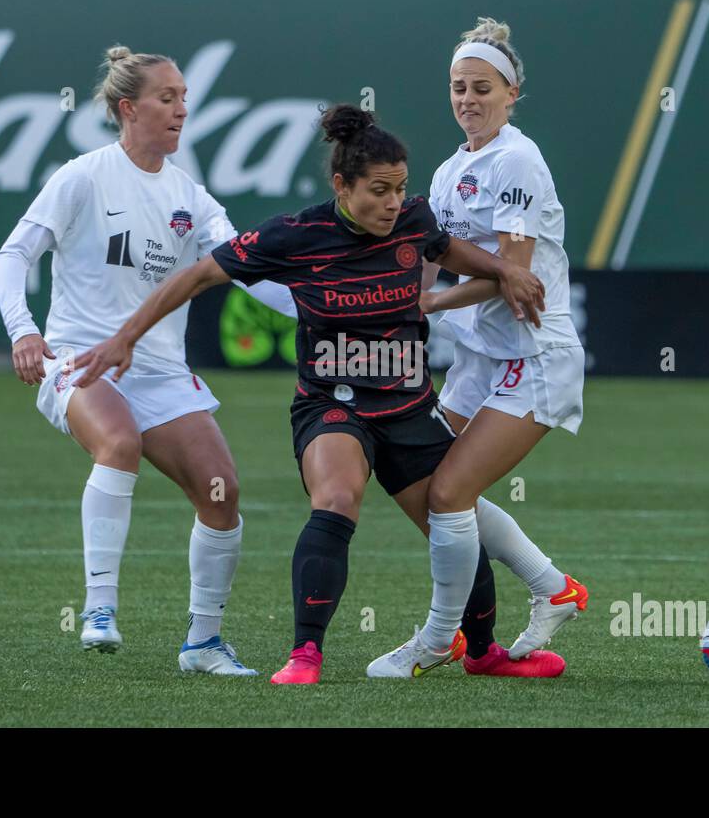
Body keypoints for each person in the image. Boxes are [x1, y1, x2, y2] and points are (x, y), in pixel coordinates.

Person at [73, 104, 562, 684]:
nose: (391, 202)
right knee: (335, 496)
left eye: (400, 188)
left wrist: (506, 271)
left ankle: (483, 652)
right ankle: (306, 654)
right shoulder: (295, 234)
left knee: (448, 519)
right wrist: (124, 338)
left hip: (407, 404)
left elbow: (450, 251)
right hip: (332, 402)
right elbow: (198, 275)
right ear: (341, 186)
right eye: (378, 190)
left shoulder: (413, 220)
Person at [0, 46, 296, 674]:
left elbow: (248, 275)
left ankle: (204, 643)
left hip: (159, 372)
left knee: (222, 491)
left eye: (185, 97)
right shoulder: (83, 175)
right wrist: (24, 332)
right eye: (168, 98)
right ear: (129, 108)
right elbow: (11, 256)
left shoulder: (191, 196)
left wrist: (329, 302)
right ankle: (99, 608)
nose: (182, 109)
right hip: (79, 361)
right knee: (120, 443)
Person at [421, 17, 590, 663]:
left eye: (482, 88)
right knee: (424, 482)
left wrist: (433, 301)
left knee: (447, 492)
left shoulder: (516, 158)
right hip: (480, 356)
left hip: (535, 357)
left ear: (512, 92)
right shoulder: (445, 172)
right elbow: (429, 263)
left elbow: (510, 276)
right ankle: (551, 588)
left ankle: (450, 631)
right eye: (459, 87)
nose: (468, 99)